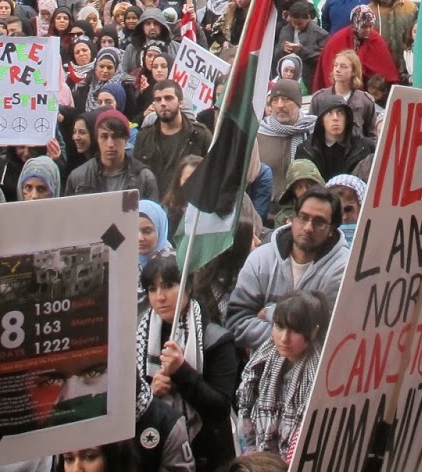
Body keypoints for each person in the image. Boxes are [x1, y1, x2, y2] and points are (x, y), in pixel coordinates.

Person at [138, 253, 241, 472]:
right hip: (155, 449)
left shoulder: (216, 339)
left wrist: (182, 371)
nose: (160, 297)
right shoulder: (139, 337)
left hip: (206, 452)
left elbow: (220, 408)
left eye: (168, 286)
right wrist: (150, 392)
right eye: (152, 289)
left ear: (188, 287)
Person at [225, 185, 347, 351]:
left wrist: (270, 312)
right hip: (260, 372)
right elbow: (236, 321)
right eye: (303, 217)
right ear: (293, 219)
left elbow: (329, 336)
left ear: (332, 229)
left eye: (319, 222)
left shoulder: (342, 270)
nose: (308, 228)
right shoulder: (260, 260)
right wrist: (286, 339)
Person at [235, 289, 330, 464]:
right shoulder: (261, 360)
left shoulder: (319, 375)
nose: (284, 338)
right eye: (279, 326)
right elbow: (245, 410)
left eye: (294, 330)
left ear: (313, 331)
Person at [134, 79, 214, 199]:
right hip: (153, 208)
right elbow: (136, 176)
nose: (163, 103)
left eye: (168, 98)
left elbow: (211, 175)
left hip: (185, 208)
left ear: (180, 102)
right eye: (158, 99)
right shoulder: (144, 136)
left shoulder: (200, 135)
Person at [66, 111, 159, 199]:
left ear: (126, 139)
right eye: (104, 137)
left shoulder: (144, 177)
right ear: (97, 139)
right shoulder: (78, 177)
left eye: (116, 137)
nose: (110, 144)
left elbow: (151, 213)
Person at [313, 4, 399, 90]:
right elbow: (330, 70)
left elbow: (386, 71)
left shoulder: (375, 39)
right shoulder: (339, 40)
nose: (368, 30)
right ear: (355, 24)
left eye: (371, 26)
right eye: (364, 26)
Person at [293, 97, 374, 183]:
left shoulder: (365, 147)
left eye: (340, 112)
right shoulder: (306, 150)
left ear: (346, 118)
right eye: (329, 113)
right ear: (321, 121)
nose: (335, 118)